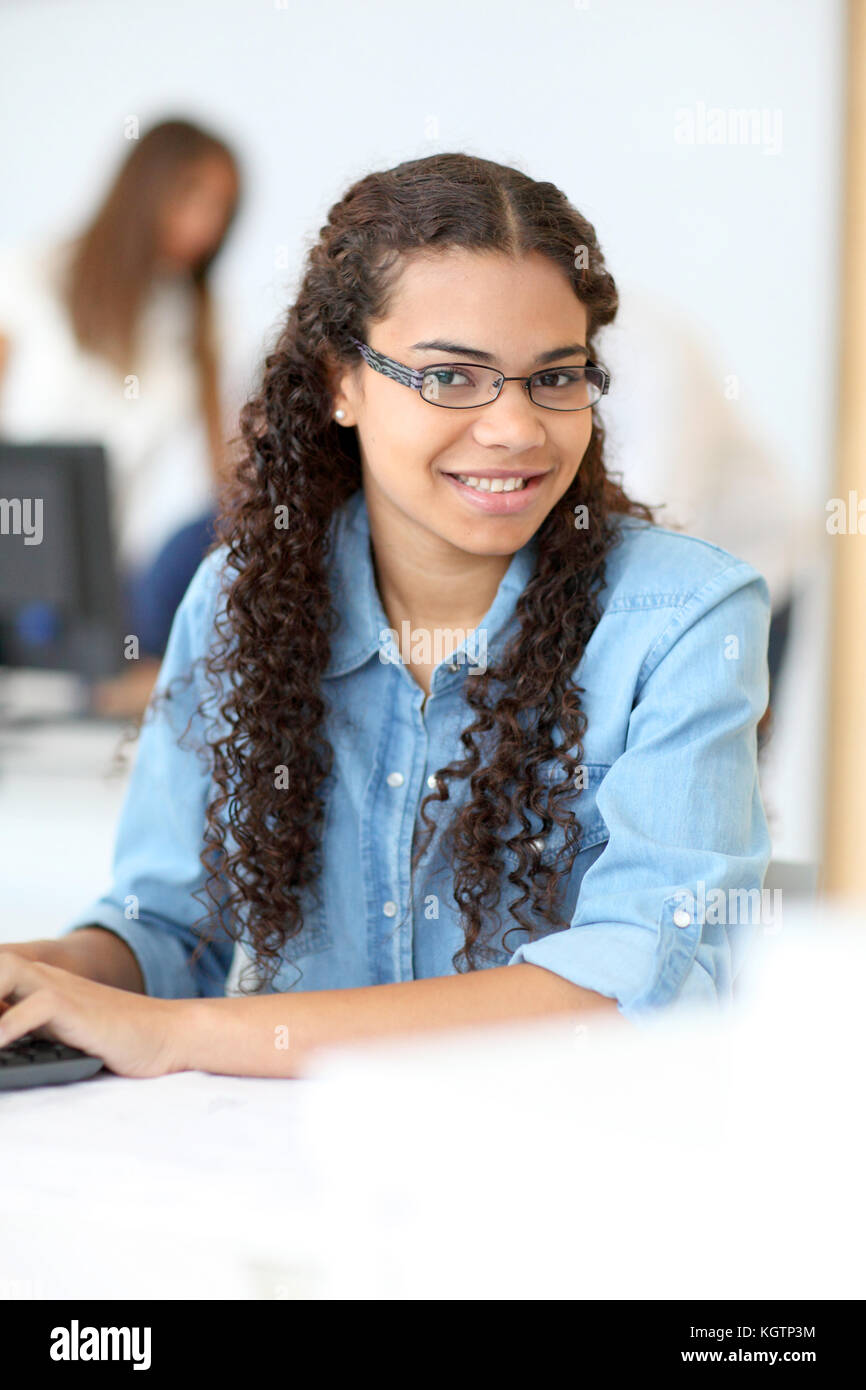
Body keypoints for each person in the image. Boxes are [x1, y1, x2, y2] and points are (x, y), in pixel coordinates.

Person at [0, 153, 773, 1079]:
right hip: (294, 1172)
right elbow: (167, 929)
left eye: (556, 378)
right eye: (452, 378)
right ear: (343, 382)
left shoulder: (682, 618)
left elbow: (636, 988)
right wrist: (45, 976)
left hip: (572, 1179)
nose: (517, 428)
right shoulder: (239, 599)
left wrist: (176, 1036)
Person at [0, 117, 244, 715]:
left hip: (105, 585)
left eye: (221, 210)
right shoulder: (29, 278)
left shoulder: (195, 316)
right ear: (146, 190)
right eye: (192, 197)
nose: (203, 226)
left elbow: (227, 471)